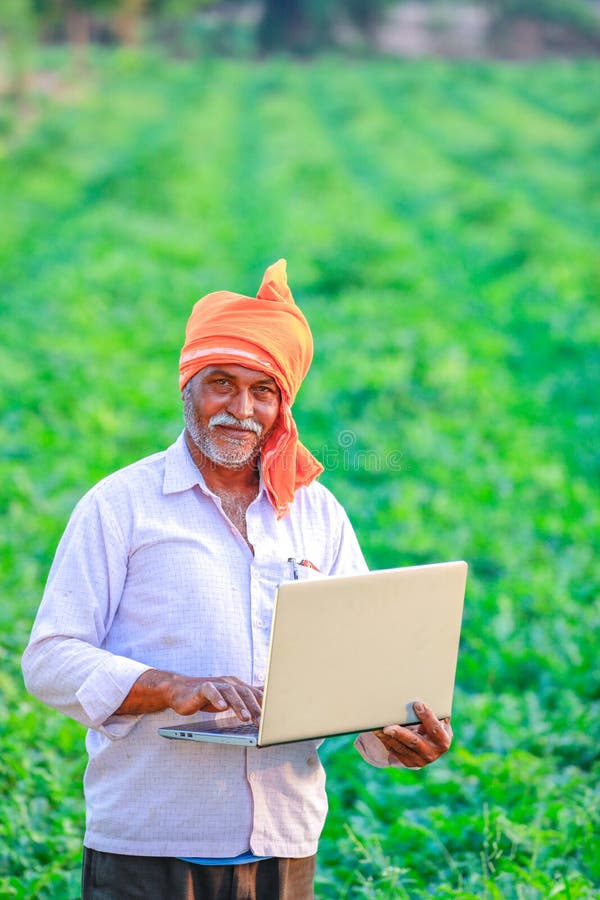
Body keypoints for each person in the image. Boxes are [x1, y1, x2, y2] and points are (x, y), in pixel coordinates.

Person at [22, 260, 452, 900]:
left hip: (284, 841)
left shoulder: (316, 514)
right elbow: (50, 660)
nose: (241, 409)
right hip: (150, 841)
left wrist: (396, 736)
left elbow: (362, 674)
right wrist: (170, 686)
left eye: (263, 391)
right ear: (188, 387)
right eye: (220, 383)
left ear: (282, 406)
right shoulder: (122, 505)